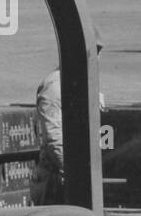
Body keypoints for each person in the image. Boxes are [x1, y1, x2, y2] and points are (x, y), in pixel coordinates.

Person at [30, 23, 105, 205]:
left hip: (81, 176)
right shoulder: (55, 86)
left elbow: (102, 129)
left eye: (97, 51)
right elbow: (54, 138)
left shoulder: (91, 86)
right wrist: (79, 175)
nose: (94, 57)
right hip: (56, 181)